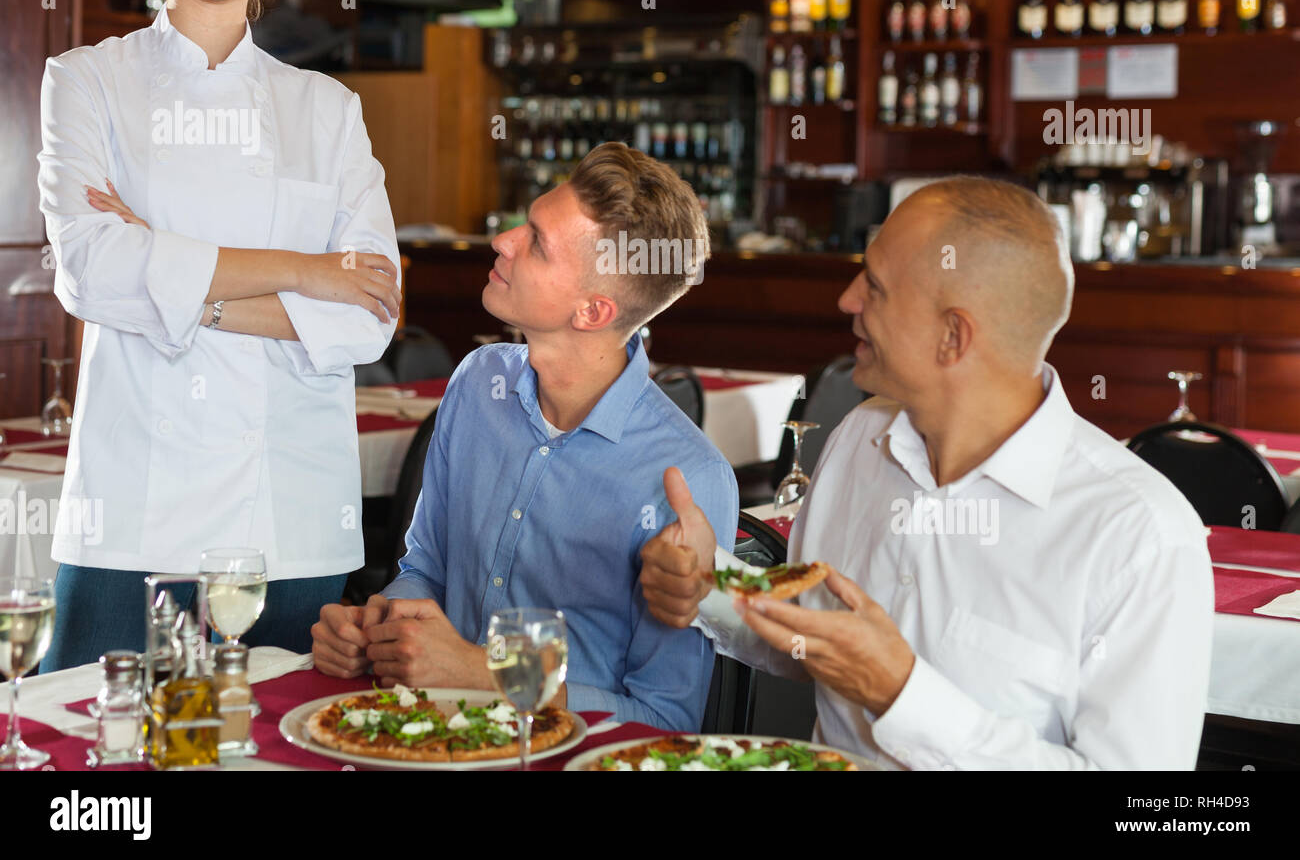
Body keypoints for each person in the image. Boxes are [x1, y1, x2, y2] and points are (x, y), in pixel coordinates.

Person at [639, 176, 1213, 769]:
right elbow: (809, 638)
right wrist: (708, 582)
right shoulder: (861, 439)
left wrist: (903, 694)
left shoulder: (1139, 535)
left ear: (953, 335)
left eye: (877, 287)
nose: (846, 300)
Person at [37, 0, 401, 671]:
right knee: (94, 747)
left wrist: (176, 281)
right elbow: (91, 273)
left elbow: (369, 316)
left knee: (273, 746)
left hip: (288, 510)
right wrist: (306, 270)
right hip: (131, 507)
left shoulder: (327, 107)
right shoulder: (86, 80)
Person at [311, 144, 739, 730]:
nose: (502, 241)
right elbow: (426, 568)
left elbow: (665, 720)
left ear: (592, 311)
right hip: (430, 740)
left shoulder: (690, 477)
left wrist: (482, 675)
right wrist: (378, 624)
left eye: (536, 242)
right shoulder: (476, 381)